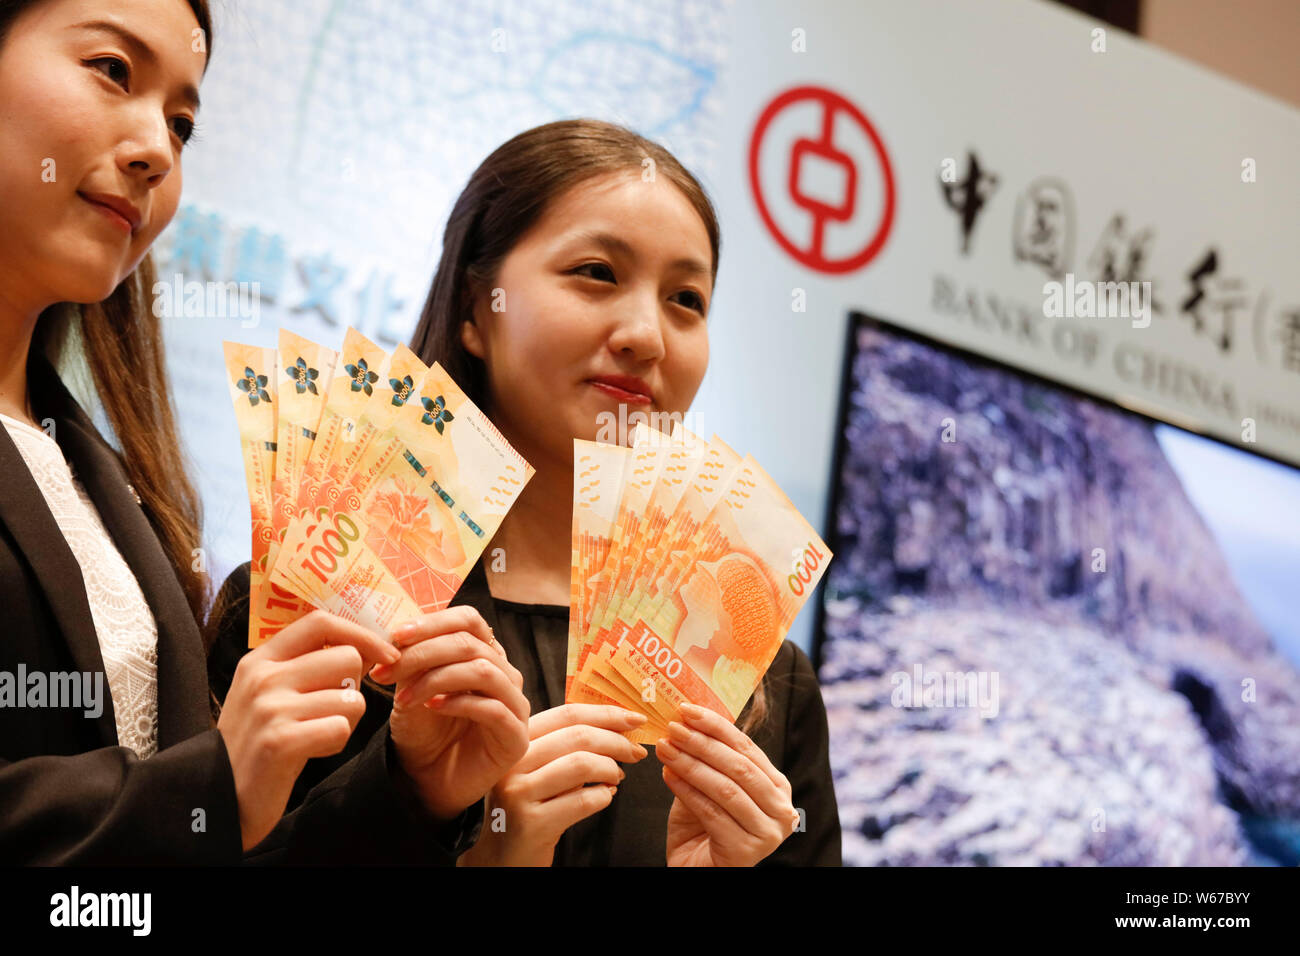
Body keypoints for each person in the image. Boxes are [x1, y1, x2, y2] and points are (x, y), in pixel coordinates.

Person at [0, 0, 529, 865]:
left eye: (182, 123)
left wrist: (407, 788)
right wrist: (206, 790)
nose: (155, 151)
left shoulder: (101, 479)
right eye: (111, 70)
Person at [410, 119, 843, 865]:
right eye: (597, 273)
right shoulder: (343, 606)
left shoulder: (768, 682)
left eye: (686, 299)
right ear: (478, 310)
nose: (647, 334)